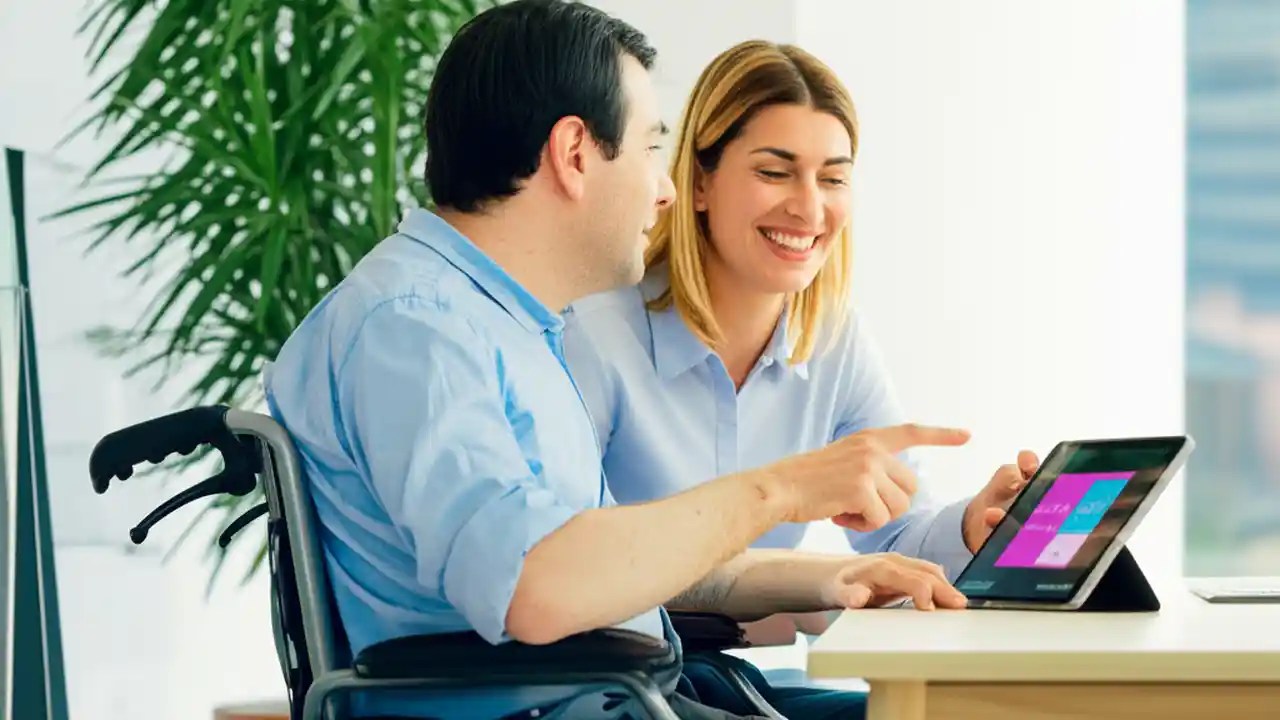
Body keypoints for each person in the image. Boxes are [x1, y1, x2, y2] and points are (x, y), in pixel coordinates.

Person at [265, 2, 970, 718]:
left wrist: (831, 574)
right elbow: (533, 588)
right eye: (648, 149)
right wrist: (779, 491)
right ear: (574, 154)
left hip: (628, 693)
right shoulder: (417, 331)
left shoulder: (508, 327)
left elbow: (619, 572)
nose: (664, 190)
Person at [562, 39, 1041, 717]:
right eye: (776, 172)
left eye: (834, 177)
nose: (809, 208)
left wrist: (970, 529)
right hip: (612, 690)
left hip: (722, 680)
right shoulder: (596, 330)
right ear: (699, 181)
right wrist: (819, 580)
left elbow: (892, 538)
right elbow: (578, 561)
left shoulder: (833, 341)